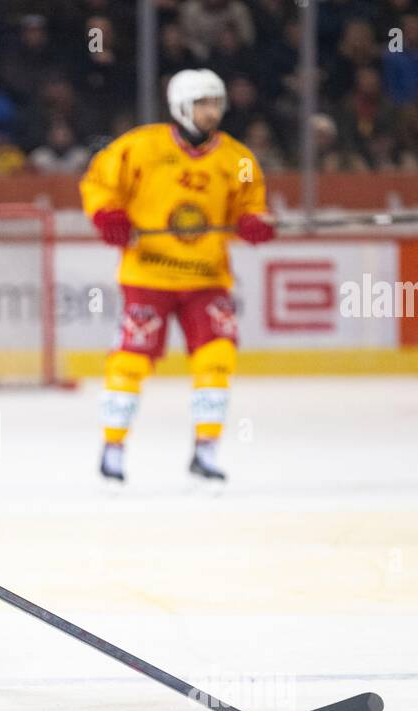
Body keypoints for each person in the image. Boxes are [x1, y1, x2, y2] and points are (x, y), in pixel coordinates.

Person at [81, 69, 275, 485]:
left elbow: (251, 203)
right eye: (204, 103)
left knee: (217, 361)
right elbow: (99, 183)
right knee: (129, 363)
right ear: (182, 106)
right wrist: (108, 215)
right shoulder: (139, 147)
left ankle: (206, 451)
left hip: (207, 279)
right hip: (149, 275)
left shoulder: (237, 159)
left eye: (217, 103)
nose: (213, 111)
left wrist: (252, 222)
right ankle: (113, 448)